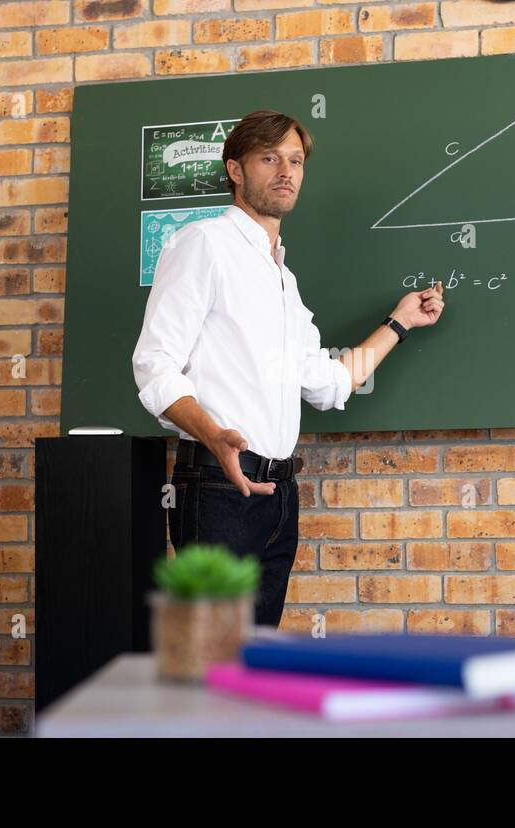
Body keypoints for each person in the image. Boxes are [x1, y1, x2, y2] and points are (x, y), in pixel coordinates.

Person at [132, 109, 445, 627]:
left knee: (253, 666)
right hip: (218, 489)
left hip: (278, 497)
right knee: (214, 666)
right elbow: (154, 364)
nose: (286, 171)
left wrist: (400, 322)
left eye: (295, 160)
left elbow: (328, 384)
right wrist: (214, 436)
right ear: (236, 170)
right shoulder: (203, 244)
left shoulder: (284, 280)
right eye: (269, 158)